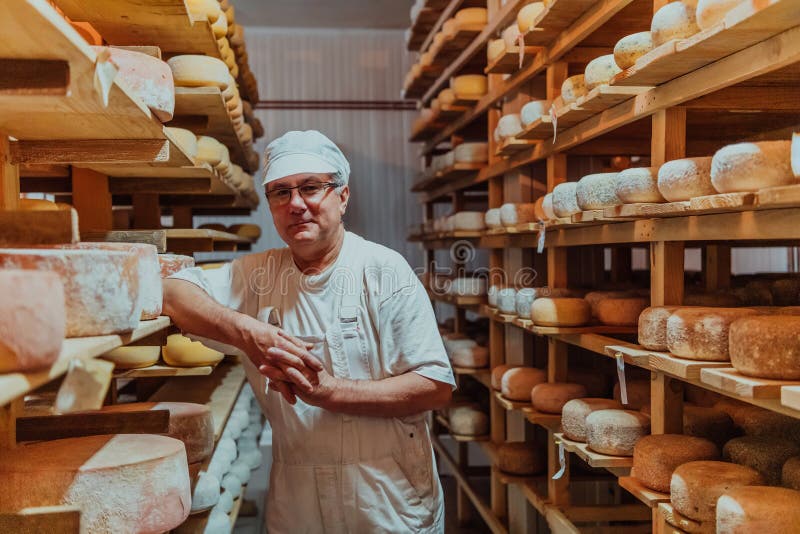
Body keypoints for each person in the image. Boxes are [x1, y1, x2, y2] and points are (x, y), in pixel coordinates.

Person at [163, 130, 455, 533]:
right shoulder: (258, 274)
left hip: (388, 498)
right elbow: (173, 292)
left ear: (343, 196)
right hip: (299, 501)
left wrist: (331, 393)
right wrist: (247, 331)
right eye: (281, 192)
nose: (296, 204)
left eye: (311, 188)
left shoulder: (384, 270)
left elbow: (436, 386)